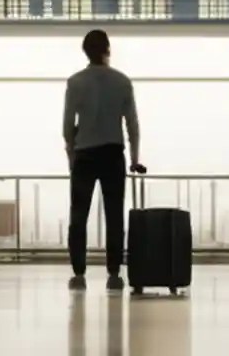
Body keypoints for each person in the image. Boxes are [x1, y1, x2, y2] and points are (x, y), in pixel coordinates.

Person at [63, 29, 142, 291]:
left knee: (78, 214)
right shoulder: (122, 82)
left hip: (85, 154)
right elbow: (132, 124)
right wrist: (134, 158)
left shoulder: (75, 82)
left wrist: (72, 155)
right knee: (114, 215)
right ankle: (113, 268)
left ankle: (78, 268)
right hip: (112, 154)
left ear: (85, 51)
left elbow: (67, 126)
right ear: (108, 49)